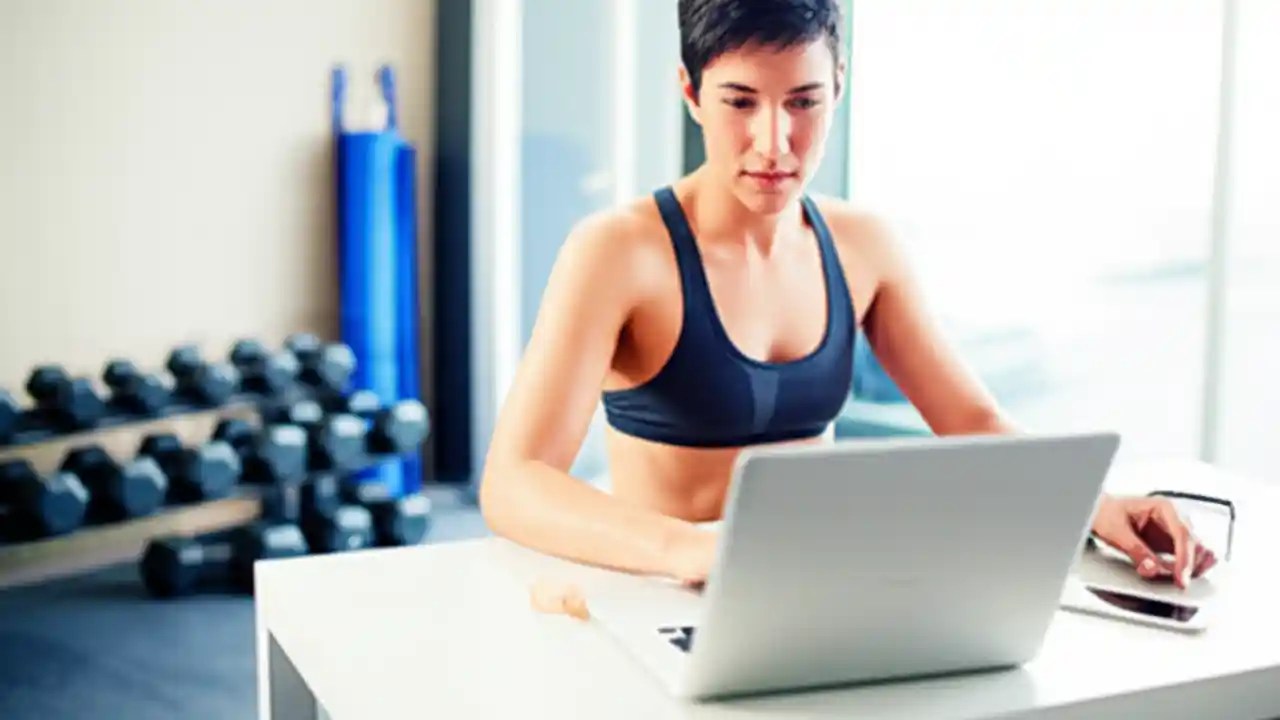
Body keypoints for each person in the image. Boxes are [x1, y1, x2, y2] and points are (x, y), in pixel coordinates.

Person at [479, 0, 1215, 614]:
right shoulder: (618, 251)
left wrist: (1095, 503)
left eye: (804, 102)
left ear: (840, 82)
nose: (776, 143)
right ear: (689, 91)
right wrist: (691, 547)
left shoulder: (862, 245)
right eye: (741, 102)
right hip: (660, 599)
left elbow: (971, 421)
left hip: (813, 594)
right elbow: (514, 482)